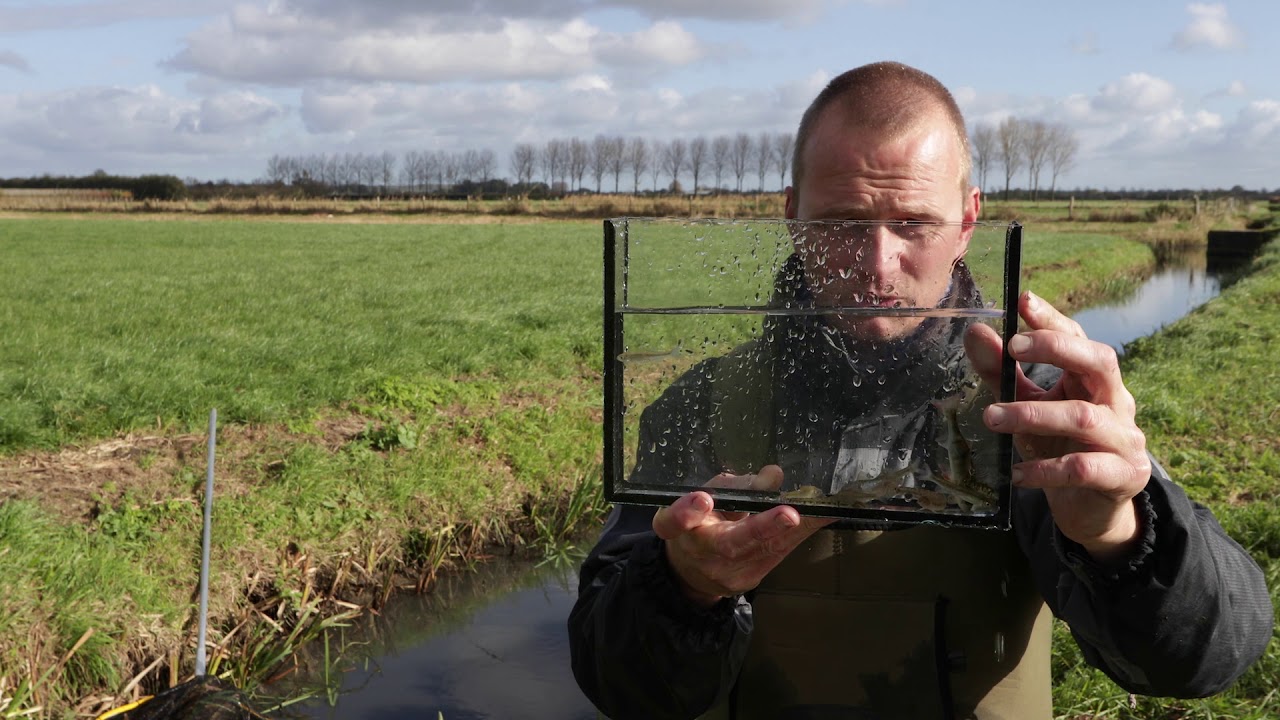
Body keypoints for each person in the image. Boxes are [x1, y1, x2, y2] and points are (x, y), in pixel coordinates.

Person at [568, 61, 1273, 720]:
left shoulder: (1036, 409)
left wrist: (1119, 533)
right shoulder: (701, 404)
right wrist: (684, 588)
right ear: (791, 216)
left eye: (913, 224)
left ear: (968, 222)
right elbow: (619, 684)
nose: (878, 264)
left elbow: (1204, 662)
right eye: (842, 224)